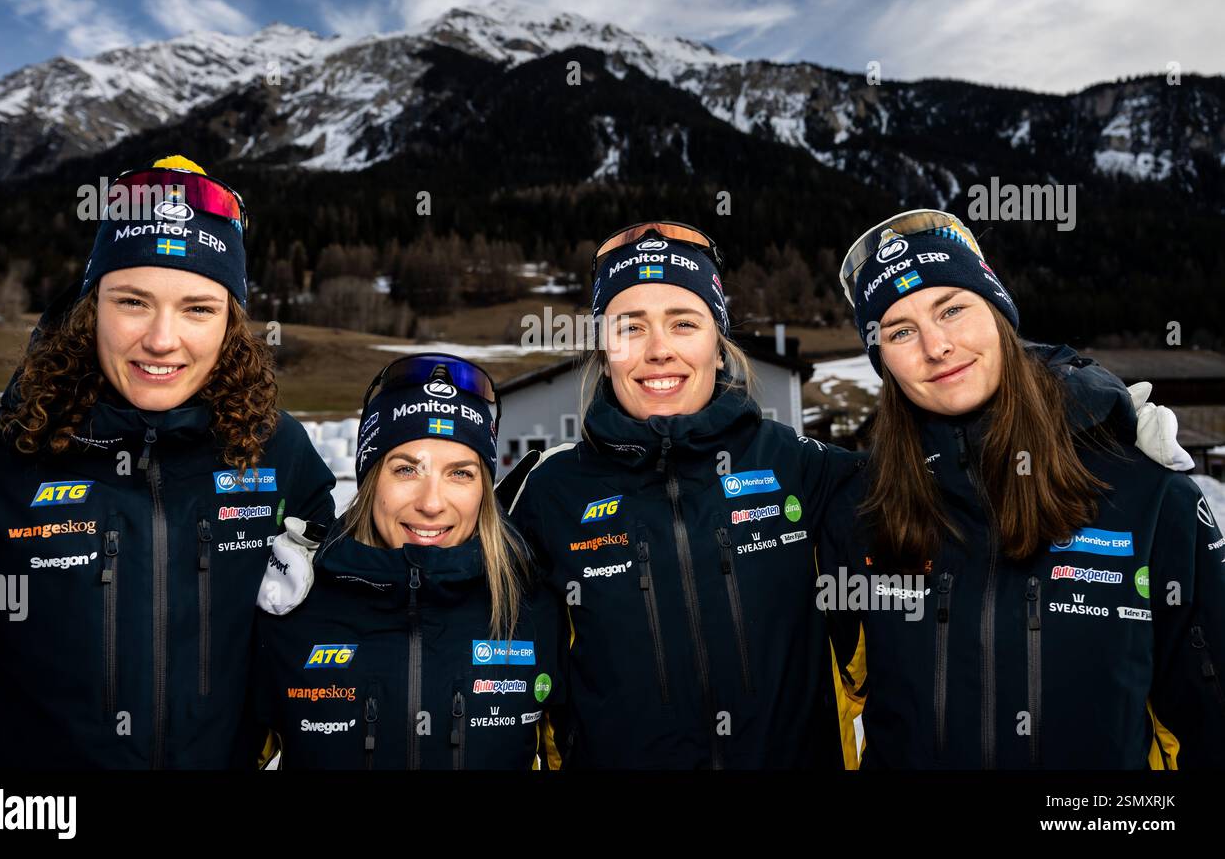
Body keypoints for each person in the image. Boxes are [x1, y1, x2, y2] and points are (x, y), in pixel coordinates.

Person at [0, 155, 335, 769]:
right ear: (91, 307)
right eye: (133, 302)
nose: (163, 340)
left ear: (231, 323)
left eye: (198, 308)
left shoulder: (279, 453)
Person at [823, 209, 1225, 768]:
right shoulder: (862, 509)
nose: (935, 347)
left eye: (953, 309)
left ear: (999, 315)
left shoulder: (1148, 494)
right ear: (883, 358)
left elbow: (1206, 723)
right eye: (900, 331)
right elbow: (832, 711)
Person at [506, 222, 865, 769]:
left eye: (684, 323)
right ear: (605, 353)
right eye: (629, 327)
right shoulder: (552, 496)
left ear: (719, 349)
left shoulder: (804, 468)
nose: (658, 351)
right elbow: (517, 694)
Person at [254, 354, 565, 769]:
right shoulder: (290, 609)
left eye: (460, 473)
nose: (431, 503)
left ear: (484, 489)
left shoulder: (537, 607)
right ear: (370, 480)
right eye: (406, 470)